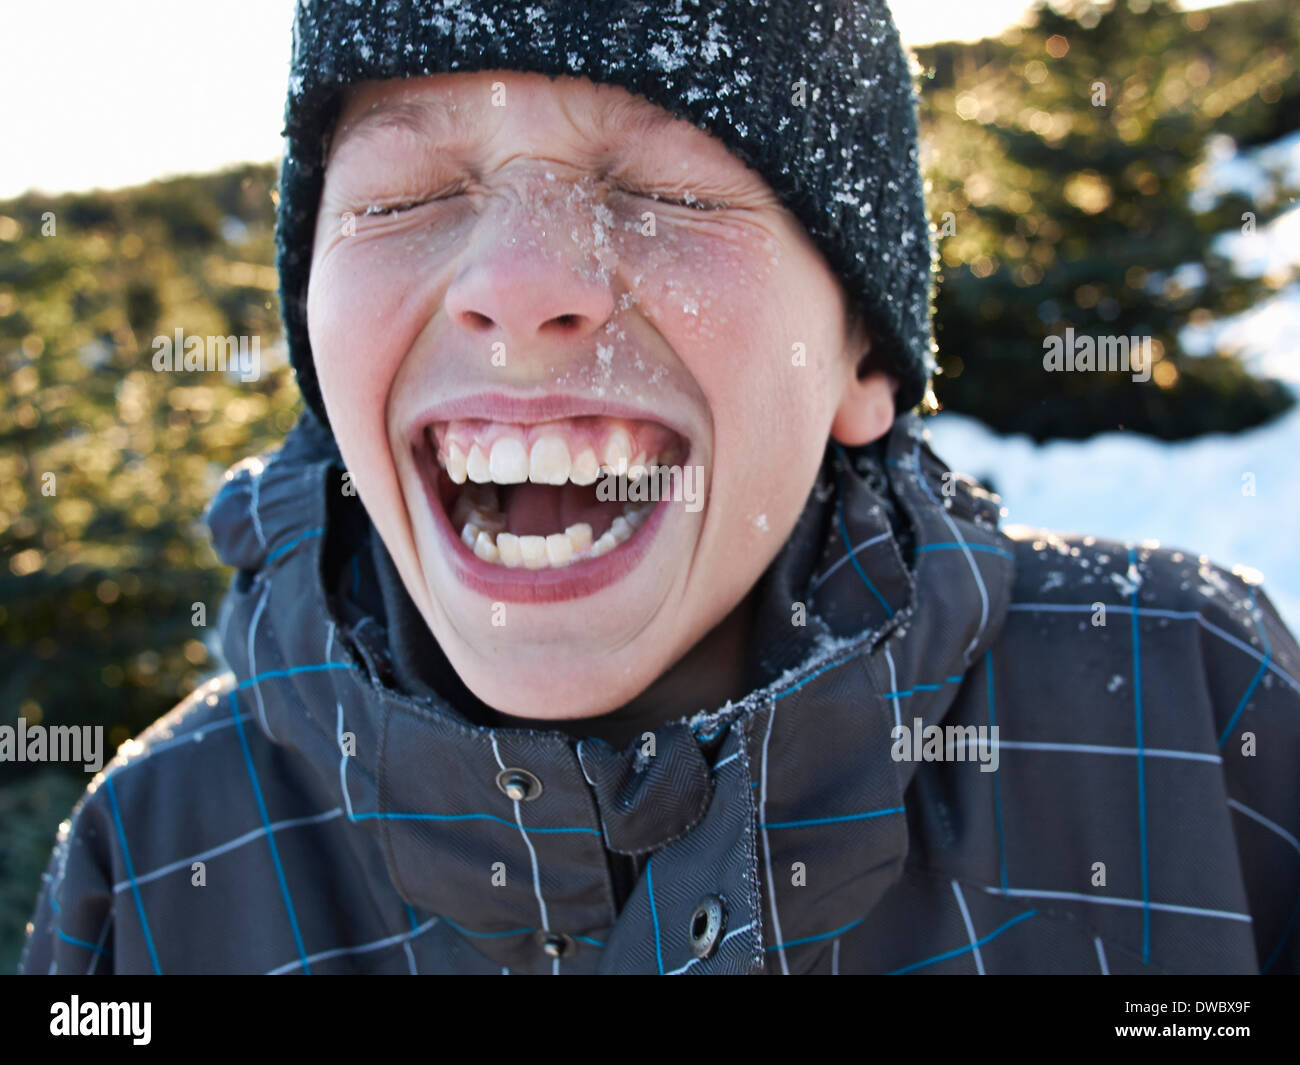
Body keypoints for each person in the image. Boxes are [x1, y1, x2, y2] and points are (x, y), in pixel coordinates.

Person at [21, 0, 1300, 975]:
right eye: (405, 198)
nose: (518, 286)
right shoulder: (156, 853)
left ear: (864, 357)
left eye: (671, 189)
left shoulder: (1177, 702)